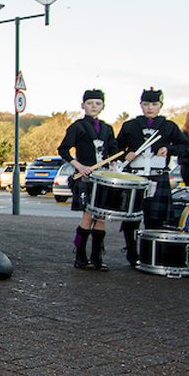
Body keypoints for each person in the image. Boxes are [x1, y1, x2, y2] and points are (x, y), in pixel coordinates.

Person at [116, 88, 188, 266]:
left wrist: (169, 149)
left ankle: (150, 255)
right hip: (135, 177)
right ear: (141, 105)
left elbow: (186, 147)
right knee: (132, 219)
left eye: (154, 104)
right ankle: (132, 253)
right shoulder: (130, 126)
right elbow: (115, 148)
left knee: (155, 220)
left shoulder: (168, 126)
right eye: (146, 104)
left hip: (158, 177)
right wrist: (125, 154)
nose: (150, 108)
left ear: (160, 106)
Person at [57, 90, 117, 271]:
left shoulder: (107, 129)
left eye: (98, 103)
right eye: (90, 103)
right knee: (88, 216)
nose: (94, 106)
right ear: (83, 105)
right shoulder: (78, 126)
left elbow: (113, 150)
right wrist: (79, 166)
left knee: (101, 217)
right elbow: (63, 150)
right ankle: (80, 255)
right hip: (84, 176)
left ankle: (97, 257)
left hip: (102, 178)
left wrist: (113, 163)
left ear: (103, 106)